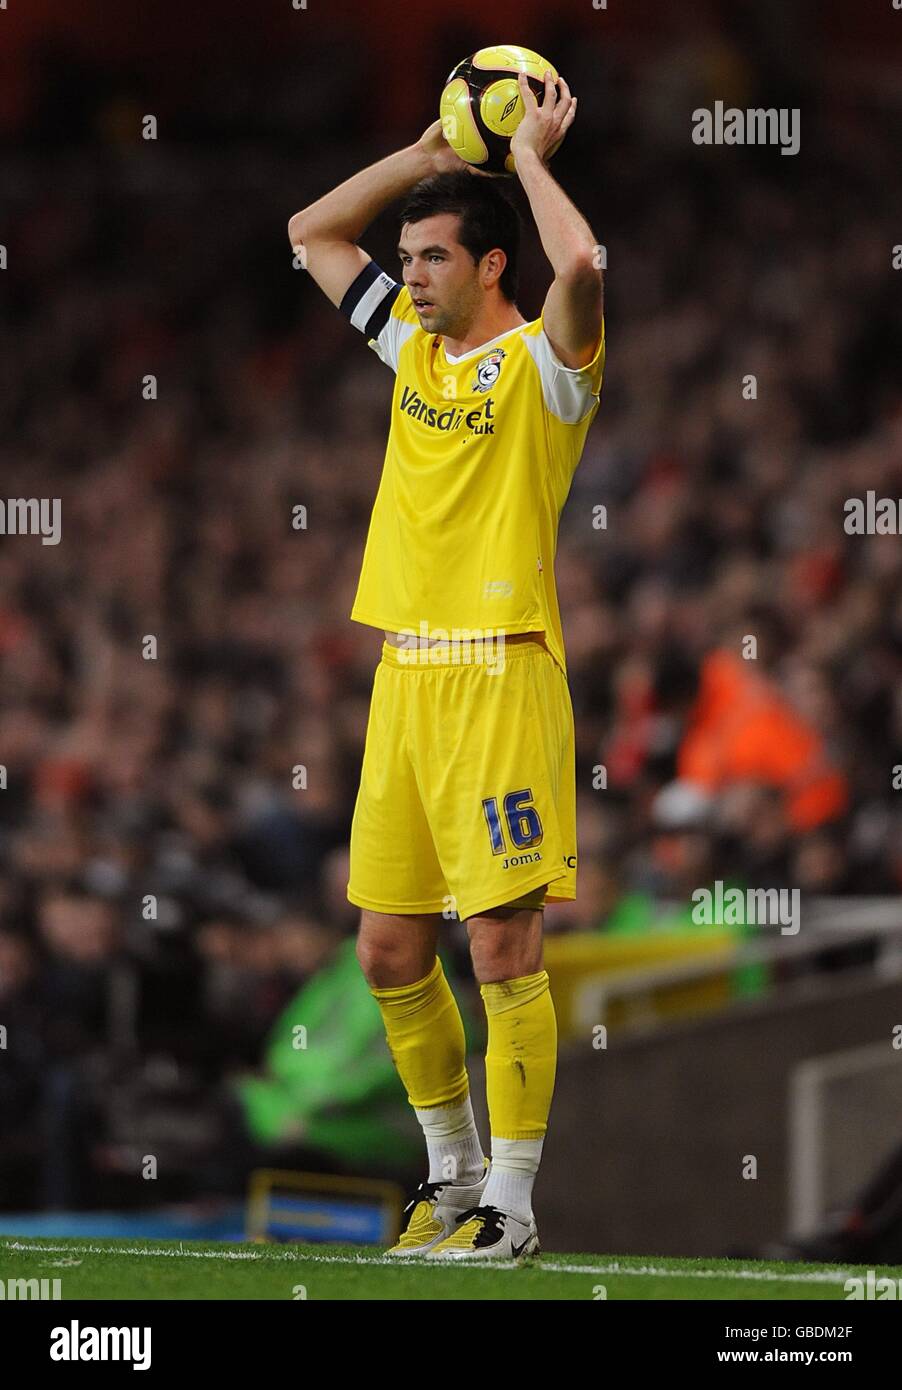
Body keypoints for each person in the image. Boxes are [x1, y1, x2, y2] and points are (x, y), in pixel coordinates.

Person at [287, 71, 604, 1259]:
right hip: (403, 680)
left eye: (428, 255)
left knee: (502, 948)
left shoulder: (544, 370)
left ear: (488, 268)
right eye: (405, 255)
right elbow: (309, 234)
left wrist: (523, 159)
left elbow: (583, 269)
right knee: (384, 949)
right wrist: (422, 149)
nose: (405, 271)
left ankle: (511, 1208)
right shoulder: (412, 360)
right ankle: (448, 1178)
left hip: (500, 675)